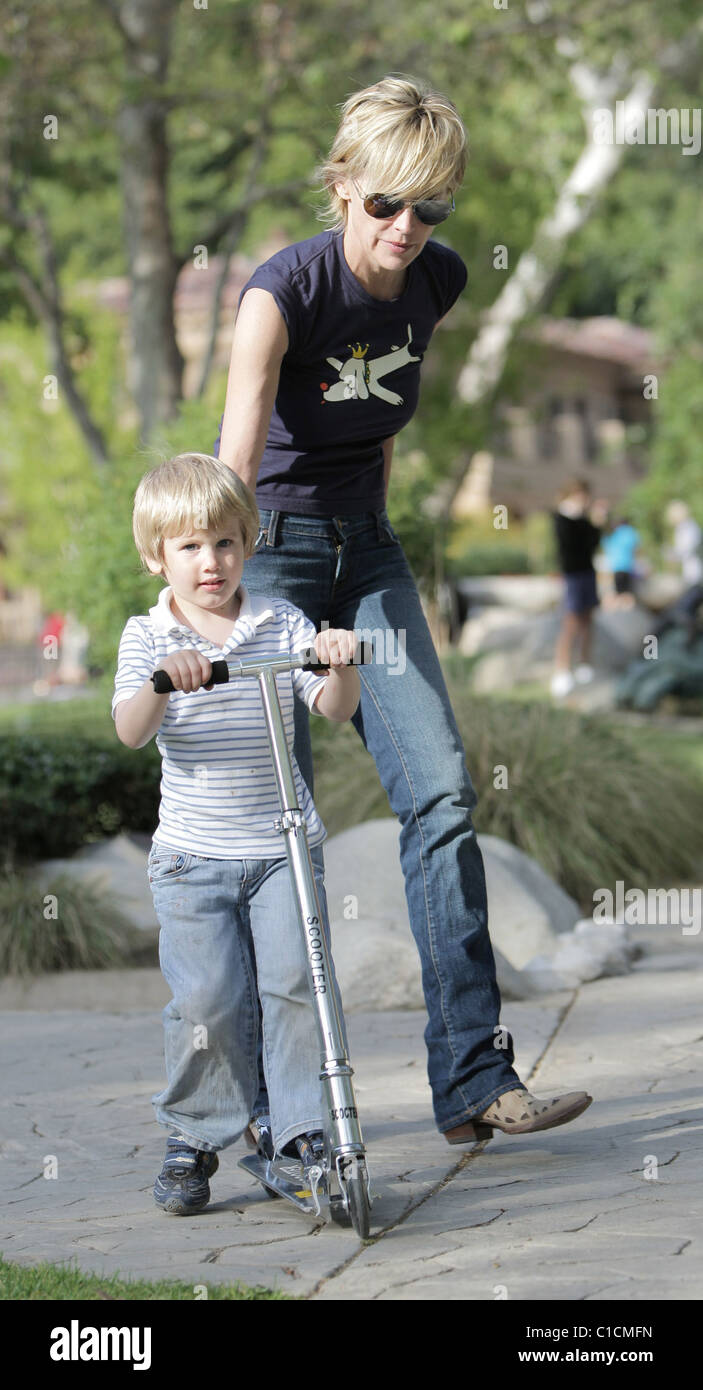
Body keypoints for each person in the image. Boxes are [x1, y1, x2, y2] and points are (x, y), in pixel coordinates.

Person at [215, 75, 592, 1146]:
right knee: (259, 824)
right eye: (384, 204)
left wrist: (372, 543)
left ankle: (472, 1075)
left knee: (440, 797)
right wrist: (220, 601)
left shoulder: (440, 280)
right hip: (271, 553)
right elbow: (236, 452)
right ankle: (260, 1106)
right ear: (341, 186)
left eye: (430, 208)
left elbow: (383, 420)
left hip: (365, 557)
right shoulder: (278, 292)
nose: (405, 228)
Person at [112, 453, 360, 1214]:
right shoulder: (148, 635)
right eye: (188, 546)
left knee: (296, 989)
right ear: (157, 556)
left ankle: (297, 1135)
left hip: (282, 849)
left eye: (224, 542)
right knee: (209, 1001)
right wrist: (165, 680)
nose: (209, 562)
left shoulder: (279, 622)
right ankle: (192, 1133)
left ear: (248, 544)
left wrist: (339, 661)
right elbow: (127, 730)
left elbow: (333, 707)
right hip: (192, 859)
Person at [551, 479, 607, 698]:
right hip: (573, 574)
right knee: (571, 621)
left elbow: (592, 544)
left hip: (587, 572)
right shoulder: (562, 518)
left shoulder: (584, 520)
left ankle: (584, 663)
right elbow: (569, 544)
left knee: (587, 619)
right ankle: (562, 669)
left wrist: (594, 524)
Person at [601, 515, 641, 611]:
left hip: (617, 566)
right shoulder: (631, 532)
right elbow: (636, 547)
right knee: (627, 590)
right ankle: (627, 608)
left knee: (619, 590)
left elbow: (607, 546)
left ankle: (622, 609)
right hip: (627, 565)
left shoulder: (616, 533)